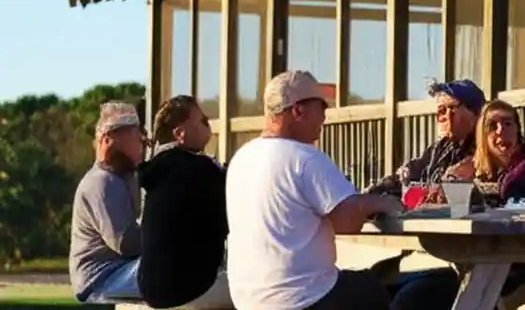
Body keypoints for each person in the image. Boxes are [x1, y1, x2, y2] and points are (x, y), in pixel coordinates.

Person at [226, 70, 404, 310]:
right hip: (304, 298)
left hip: (249, 300)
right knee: (390, 289)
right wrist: (379, 203)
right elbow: (347, 223)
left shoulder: (242, 157)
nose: (324, 118)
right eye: (322, 108)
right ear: (299, 110)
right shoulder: (304, 158)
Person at [389, 101, 525, 310]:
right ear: (482, 134)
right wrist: (446, 187)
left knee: (415, 298)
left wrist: (474, 187)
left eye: (508, 124)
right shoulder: (475, 166)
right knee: (406, 294)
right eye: (493, 126)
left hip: (519, 263)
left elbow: (513, 187)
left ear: (518, 129)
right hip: (472, 262)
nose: (501, 131)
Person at [137, 95, 233, 309]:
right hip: (191, 289)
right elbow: (232, 223)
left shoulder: (155, 173)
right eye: (203, 121)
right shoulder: (200, 170)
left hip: (151, 289)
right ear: (180, 134)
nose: (209, 124)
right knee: (266, 285)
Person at [69, 101, 147, 305]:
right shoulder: (102, 182)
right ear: (107, 139)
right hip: (101, 279)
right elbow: (127, 244)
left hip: (119, 271)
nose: (142, 139)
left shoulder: (124, 178)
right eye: (133, 133)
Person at [367, 79, 485, 204]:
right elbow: (412, 172)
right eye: (440, 111)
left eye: (445, 110)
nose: (441, 118)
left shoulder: (486, 148)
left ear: (475, 112)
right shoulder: (441, 148)